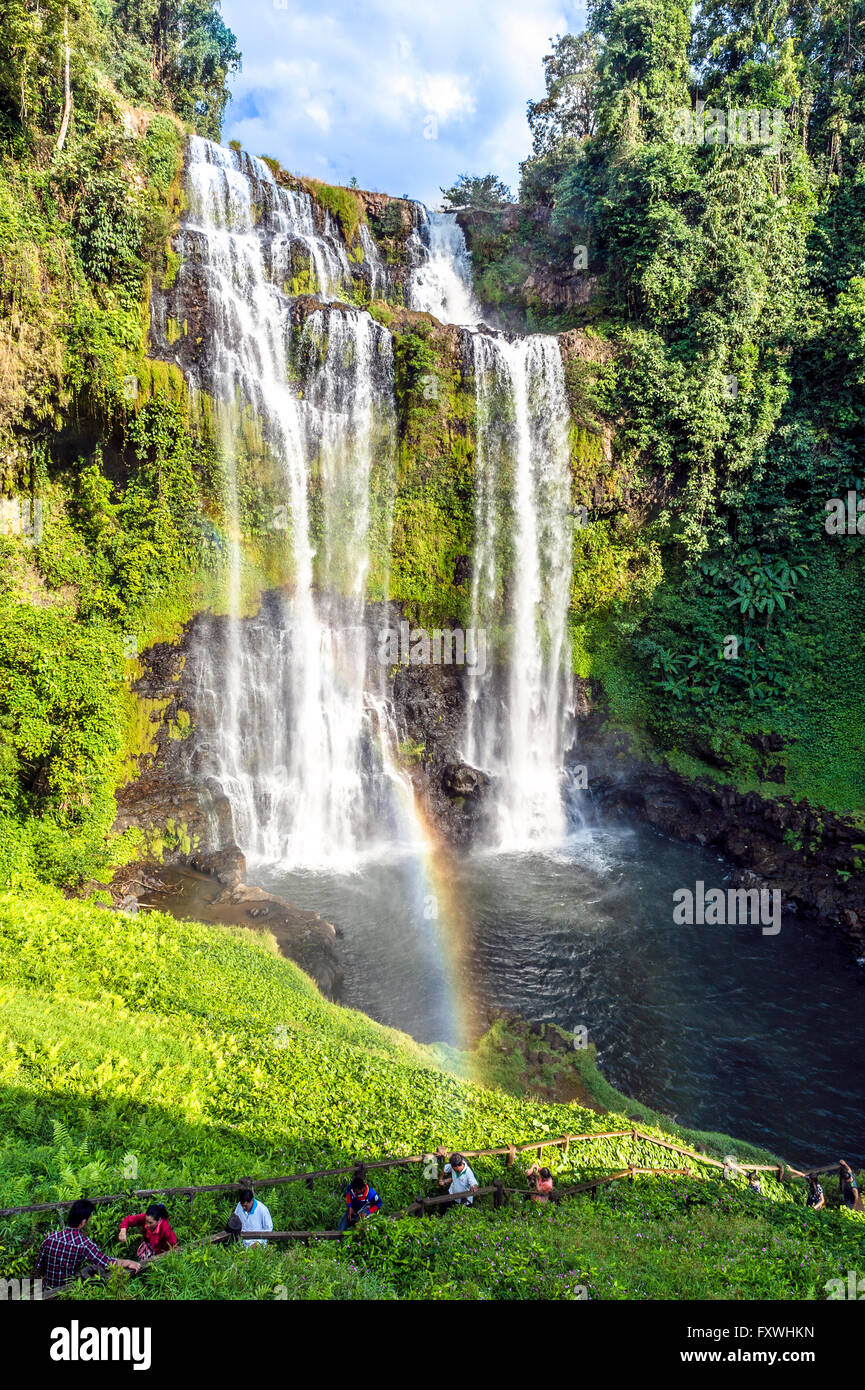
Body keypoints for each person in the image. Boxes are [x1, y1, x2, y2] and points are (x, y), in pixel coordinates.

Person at [35, 1200, 141, 1289]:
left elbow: (39, 1266)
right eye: (89, 1219)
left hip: (46, 1289)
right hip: (67, 1291)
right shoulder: (84, 1244)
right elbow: (106, 1262)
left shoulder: (50, 1238)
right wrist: (127, 1262)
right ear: (83, 1222)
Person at [338, 1165, 381, 1231]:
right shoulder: (352, 1186)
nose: (354, 1193)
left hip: (362, 1214)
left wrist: (367, 1213)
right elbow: (348, 1191)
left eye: (356, 1192)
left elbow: (378, 1204)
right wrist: (349, 1206)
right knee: (342, 1226)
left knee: (357, 1230)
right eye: (353, 1191)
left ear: (362, 1189)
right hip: (352, 1209)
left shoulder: (372, 1195)